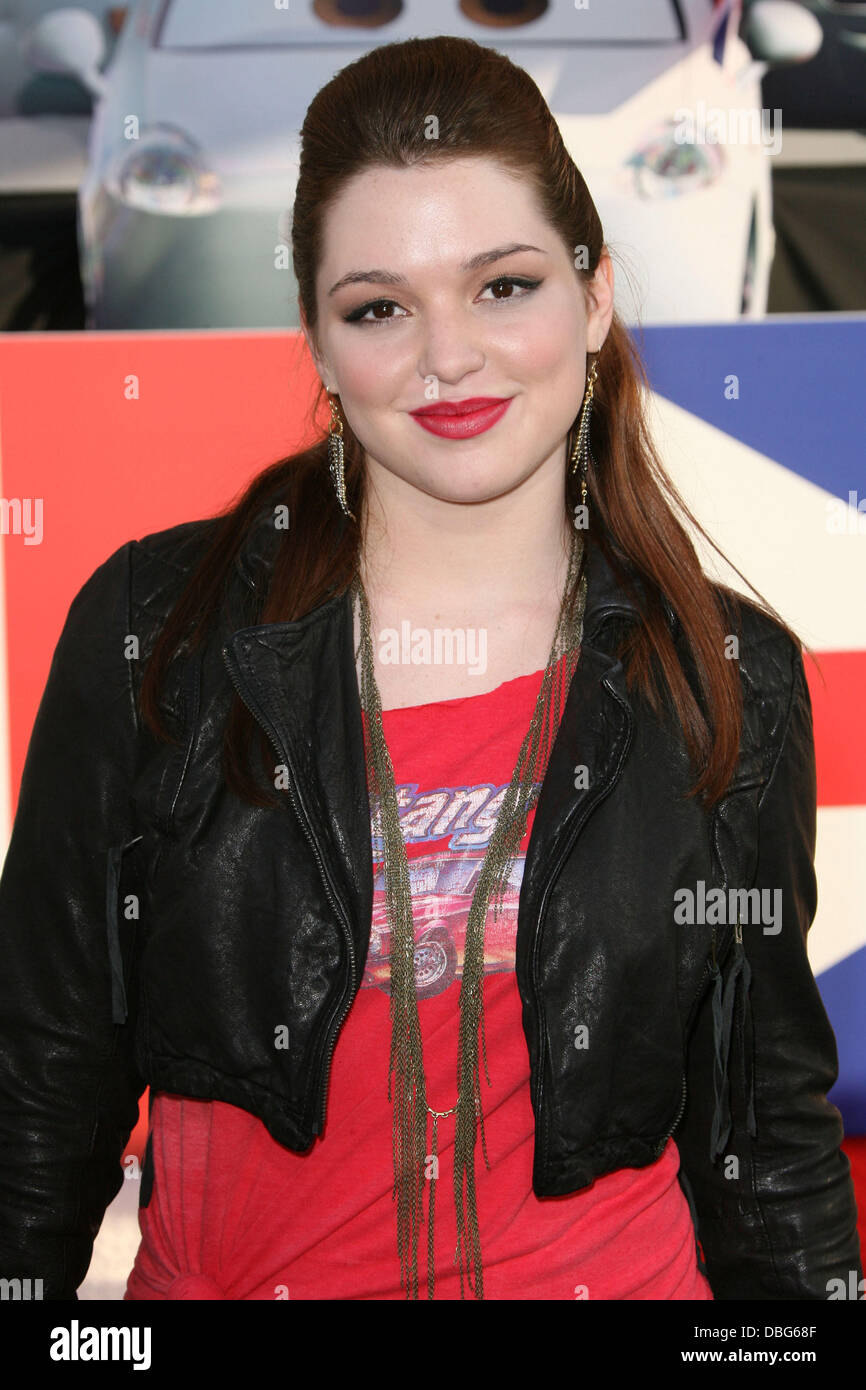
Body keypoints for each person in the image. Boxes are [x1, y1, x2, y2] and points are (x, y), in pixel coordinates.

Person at [0, 35, 860, 1302]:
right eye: (378, 307)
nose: (445, 356)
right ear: (316, 337)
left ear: (595, 296)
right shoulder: (161, 630)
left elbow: (763, 1136)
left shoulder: (726, 674)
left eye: (502, 286)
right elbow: (41, 1083)